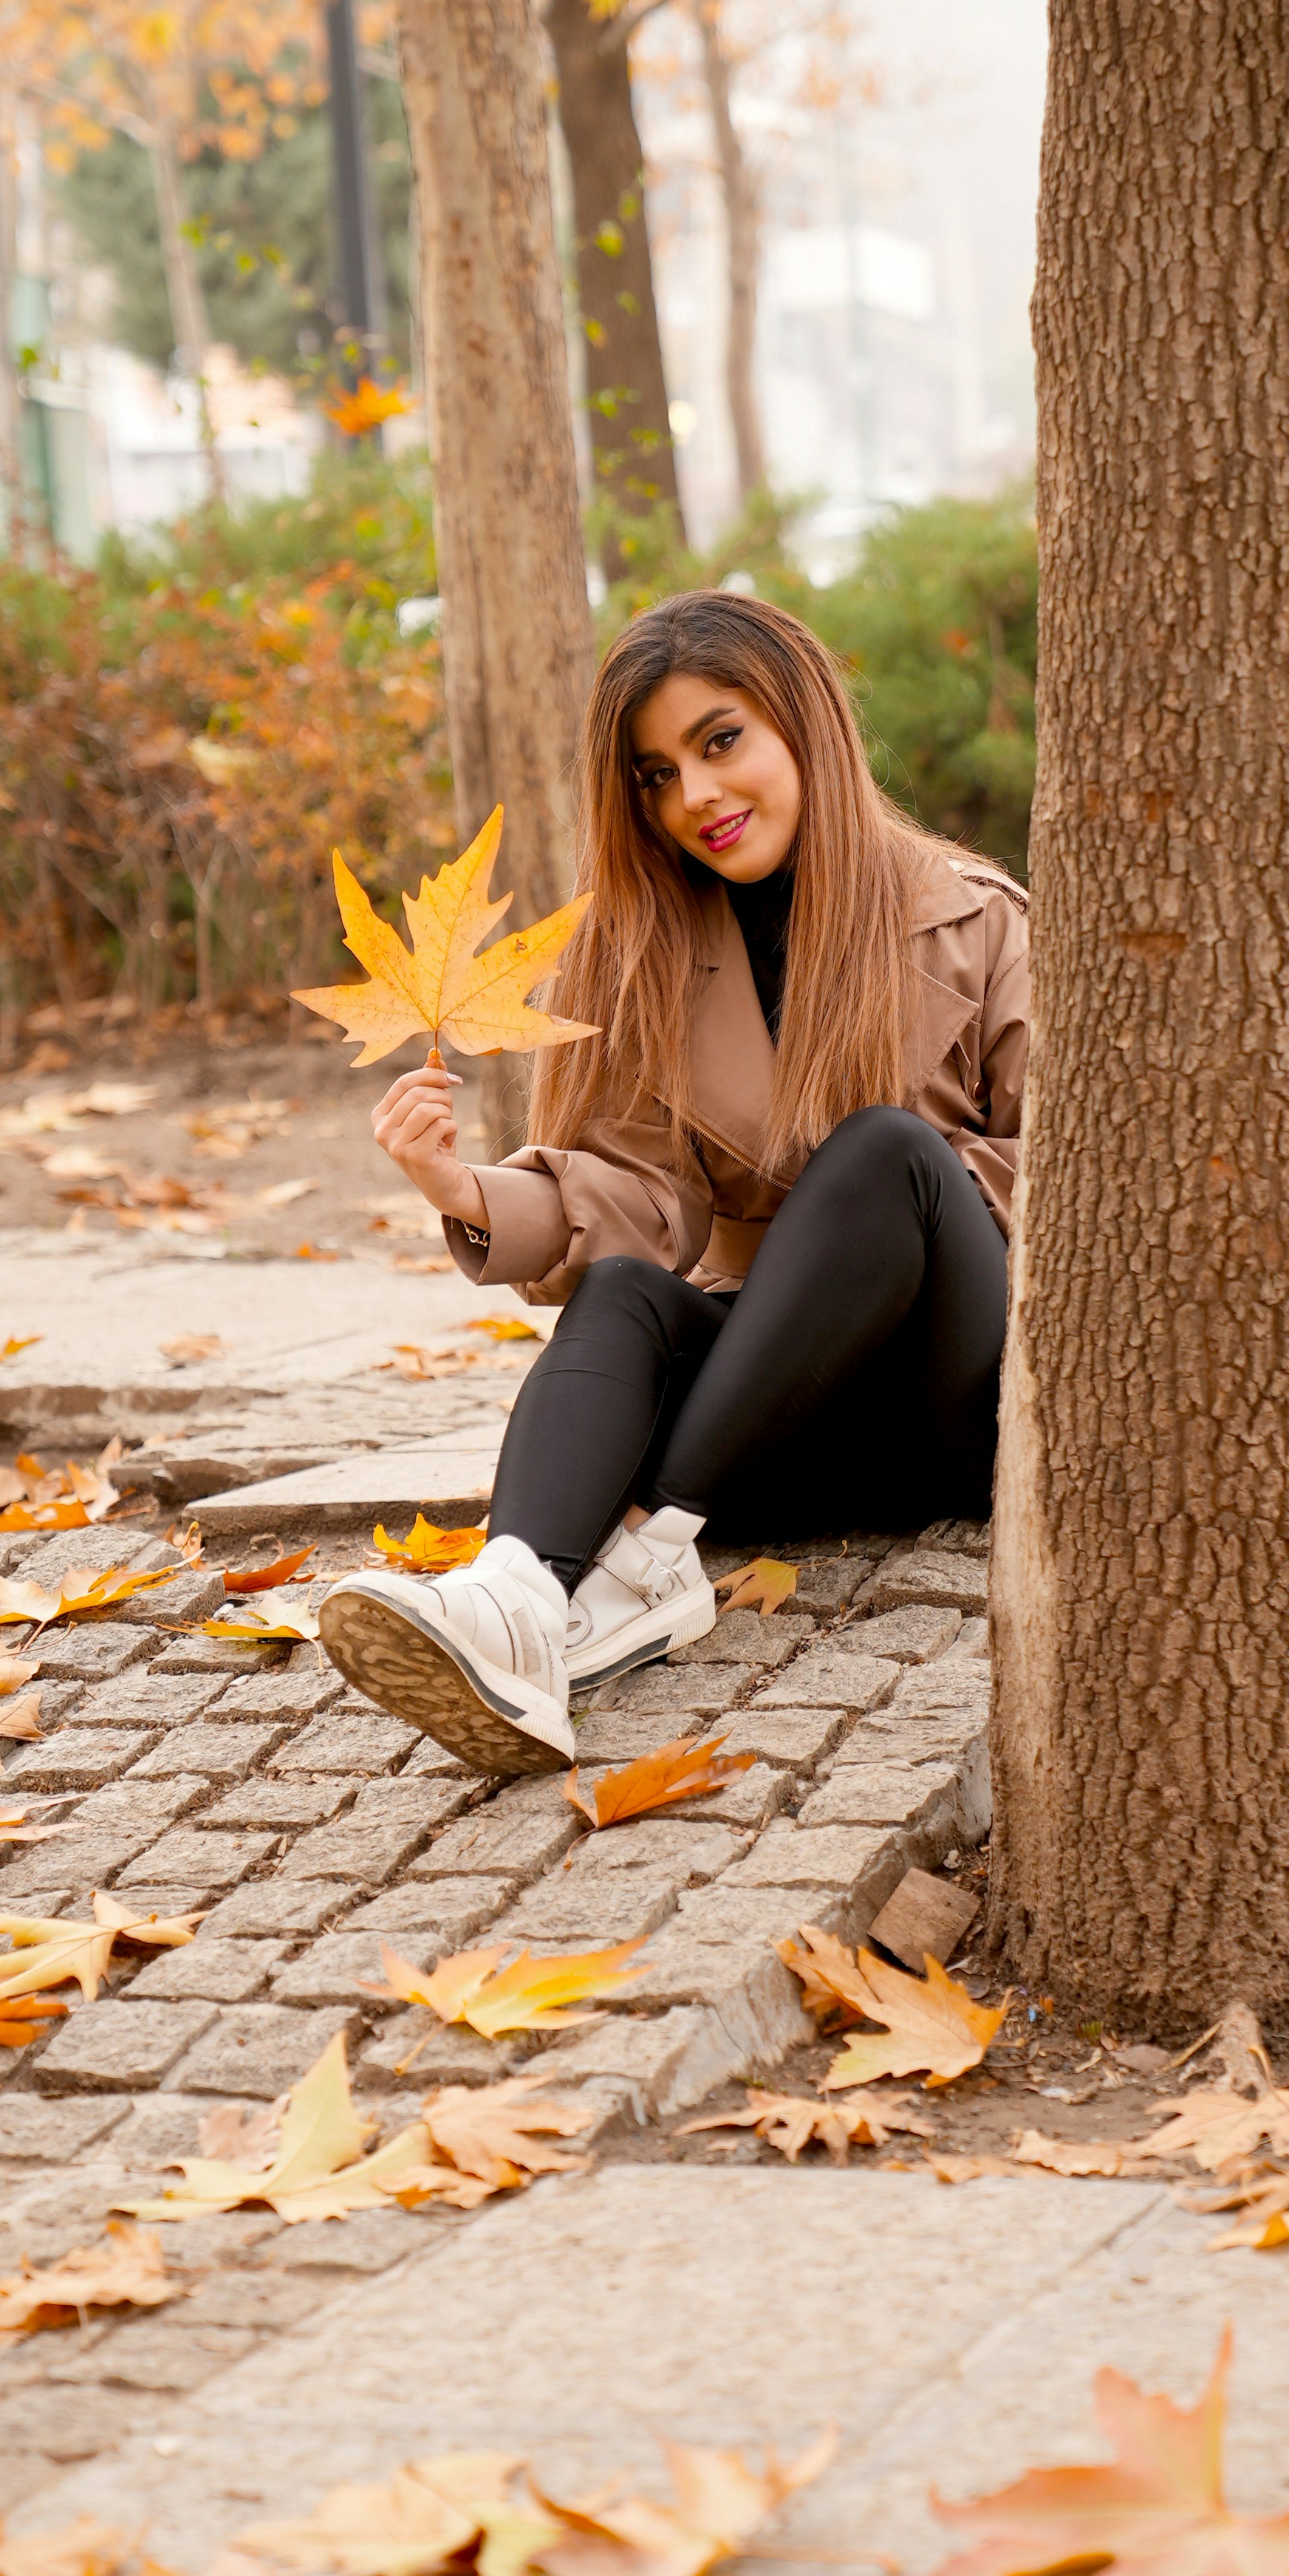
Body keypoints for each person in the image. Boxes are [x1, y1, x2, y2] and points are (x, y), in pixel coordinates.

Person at [318, 587, 1027, 1779]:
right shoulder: (642, 952)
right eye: (654, 775)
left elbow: (1084, 1174)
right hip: (761, 1428)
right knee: (627, 1301)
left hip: (945, 1406)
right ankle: (520, 1605)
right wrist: (462, 1187)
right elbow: (633, 1197)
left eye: (721, 740)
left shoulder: (974, 919)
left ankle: (637, 1561)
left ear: (804, 724)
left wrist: (872, 1217)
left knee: (886, 1154)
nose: (695, 796)